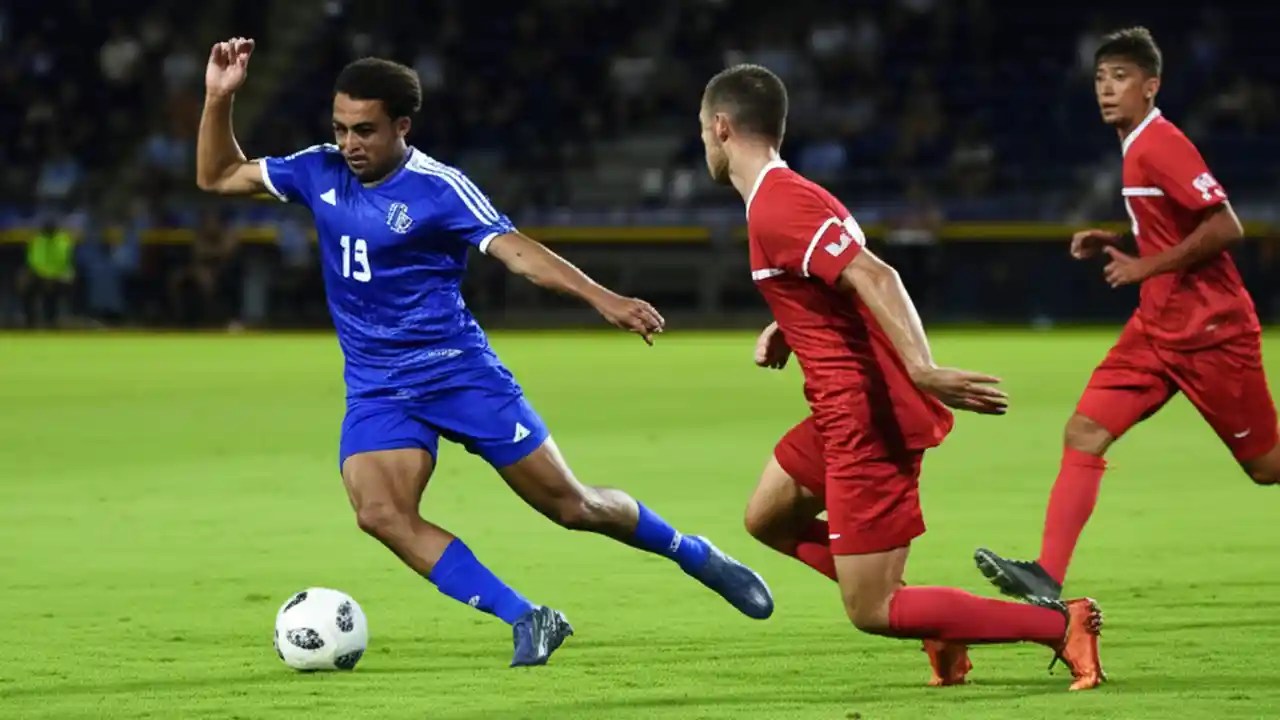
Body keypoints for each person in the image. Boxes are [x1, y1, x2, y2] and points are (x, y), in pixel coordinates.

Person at [195, 38, 773, 668]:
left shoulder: (440, 189)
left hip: (459, 375)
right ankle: (527, 616)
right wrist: (219, 99)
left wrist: (600, 297)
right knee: (380, 513)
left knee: (573, 507)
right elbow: (218, 175)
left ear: (402, 126)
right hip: (379, 387)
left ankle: (691, 551)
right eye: (340, 128)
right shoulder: (318, 169)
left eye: (364, 129)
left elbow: (517, 252)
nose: (349, 143)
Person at [700, 63, 1103, 690]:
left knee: (874, 610)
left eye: (703, 130)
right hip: (838, 409)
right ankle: (939, 624)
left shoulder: (778, 205)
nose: (703, 142)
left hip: (866, 417)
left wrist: (922, 368)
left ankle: (1060, 625)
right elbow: (838, 285)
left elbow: (876, 275)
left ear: (721, 127)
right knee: (767, 519)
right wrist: (789, 324)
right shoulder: (793, 196)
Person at [973, 27, 1279, 605]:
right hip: (1156, 328)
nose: (1106, 90)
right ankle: (1046, 575)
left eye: (1120, 78)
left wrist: (1146, 267)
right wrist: (1121, 240)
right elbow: (1176, 227)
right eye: (1100, 79)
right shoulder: (1134, 144)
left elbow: (1226, 226)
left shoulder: (1161, 143)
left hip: (1210, 331)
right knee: (1084, 432)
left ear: (1151, 86)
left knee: (1267, 466)